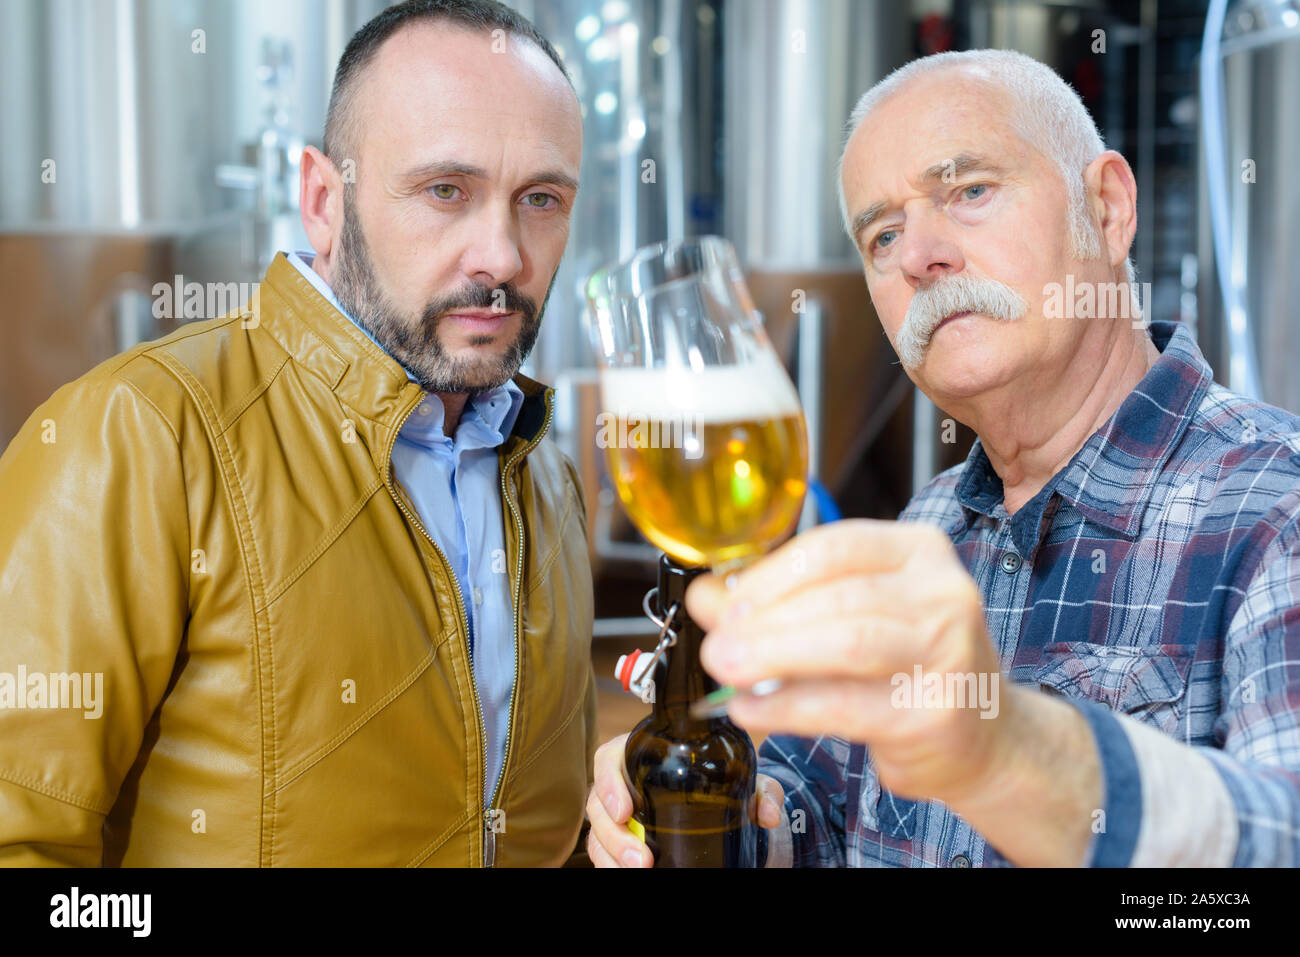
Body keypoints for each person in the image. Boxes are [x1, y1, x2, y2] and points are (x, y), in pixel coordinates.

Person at [587, 48, 1300, 868]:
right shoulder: (927, 524)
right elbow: (818, 809)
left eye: (969, 191)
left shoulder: (1273, 508)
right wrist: (730, 814)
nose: (920, 254)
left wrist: (1012, 751)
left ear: (1106, 209)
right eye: (882, 234)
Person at [0, 0, 596, 867]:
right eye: (445, 190)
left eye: (540, 199)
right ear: (323, 198)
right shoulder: (142, 434)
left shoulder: (547, 478)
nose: (501, 256)